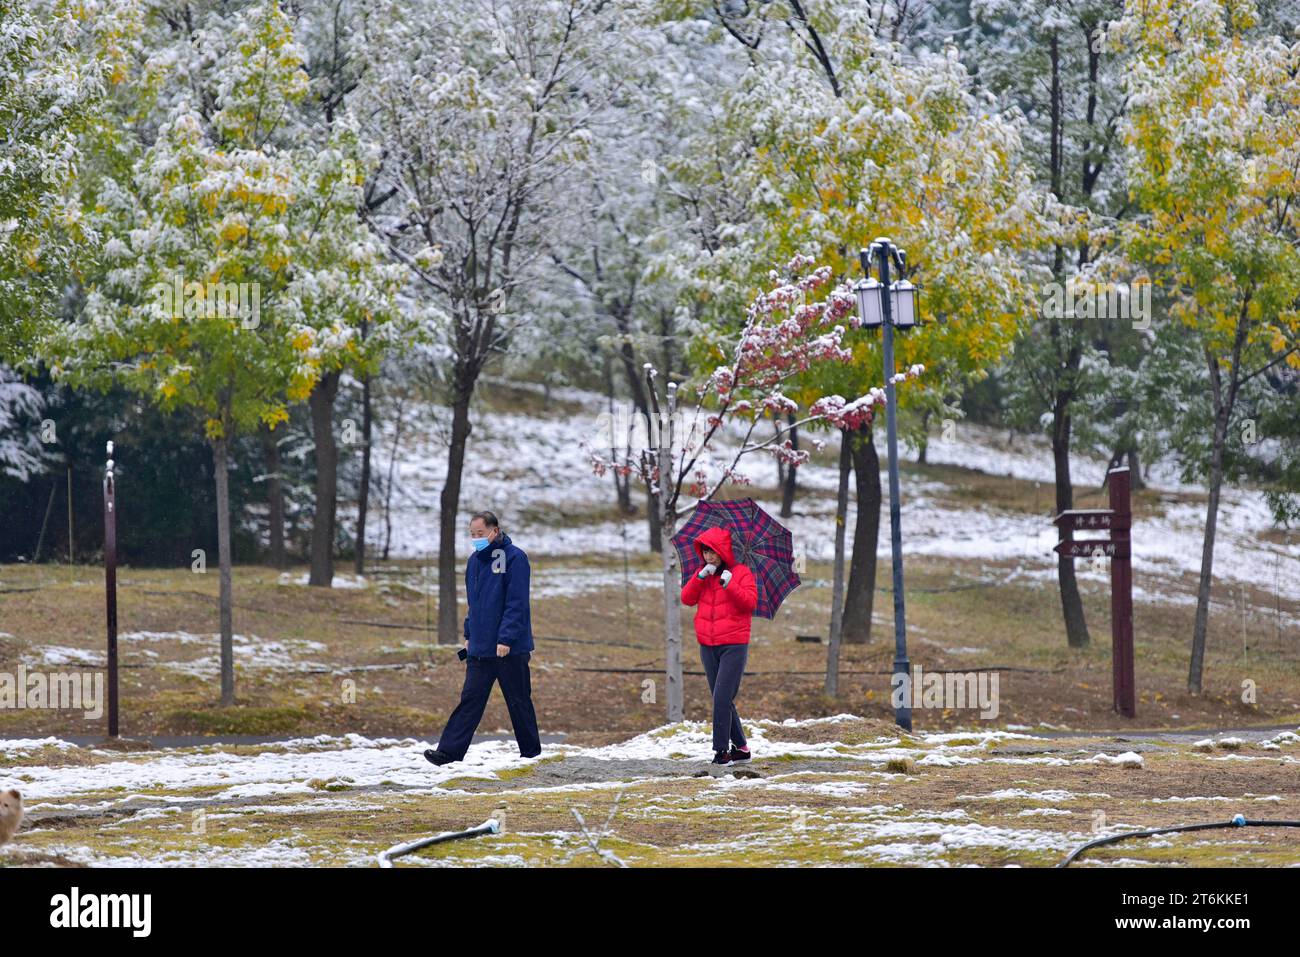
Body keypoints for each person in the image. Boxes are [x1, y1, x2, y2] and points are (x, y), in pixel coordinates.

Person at [424, 510, 541, 766]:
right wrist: (469, 633)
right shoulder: (474, 561)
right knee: (470, 700)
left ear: (495, 531)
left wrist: (506, 639)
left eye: (481, 533)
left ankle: (531, 754)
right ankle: (449, 752)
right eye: (472, 534)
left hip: (508, 649)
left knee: (519, 701)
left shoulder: (515, 558)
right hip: (479, 648)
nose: (476, 538)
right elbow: (474, 603)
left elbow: (516, 603)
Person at [680, 525, 758, 767]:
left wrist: (730, 584)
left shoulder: (741, 572)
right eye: (705, 552)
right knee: (720, 698)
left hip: (733, 645)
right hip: (707, 645)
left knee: (722, 698)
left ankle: (721, 752)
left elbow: (750, 603)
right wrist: (699, 577)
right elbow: (686, 599)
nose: (709, 557)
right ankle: (742, 749)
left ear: (723, 551)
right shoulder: (703, 574)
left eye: (713, 552)